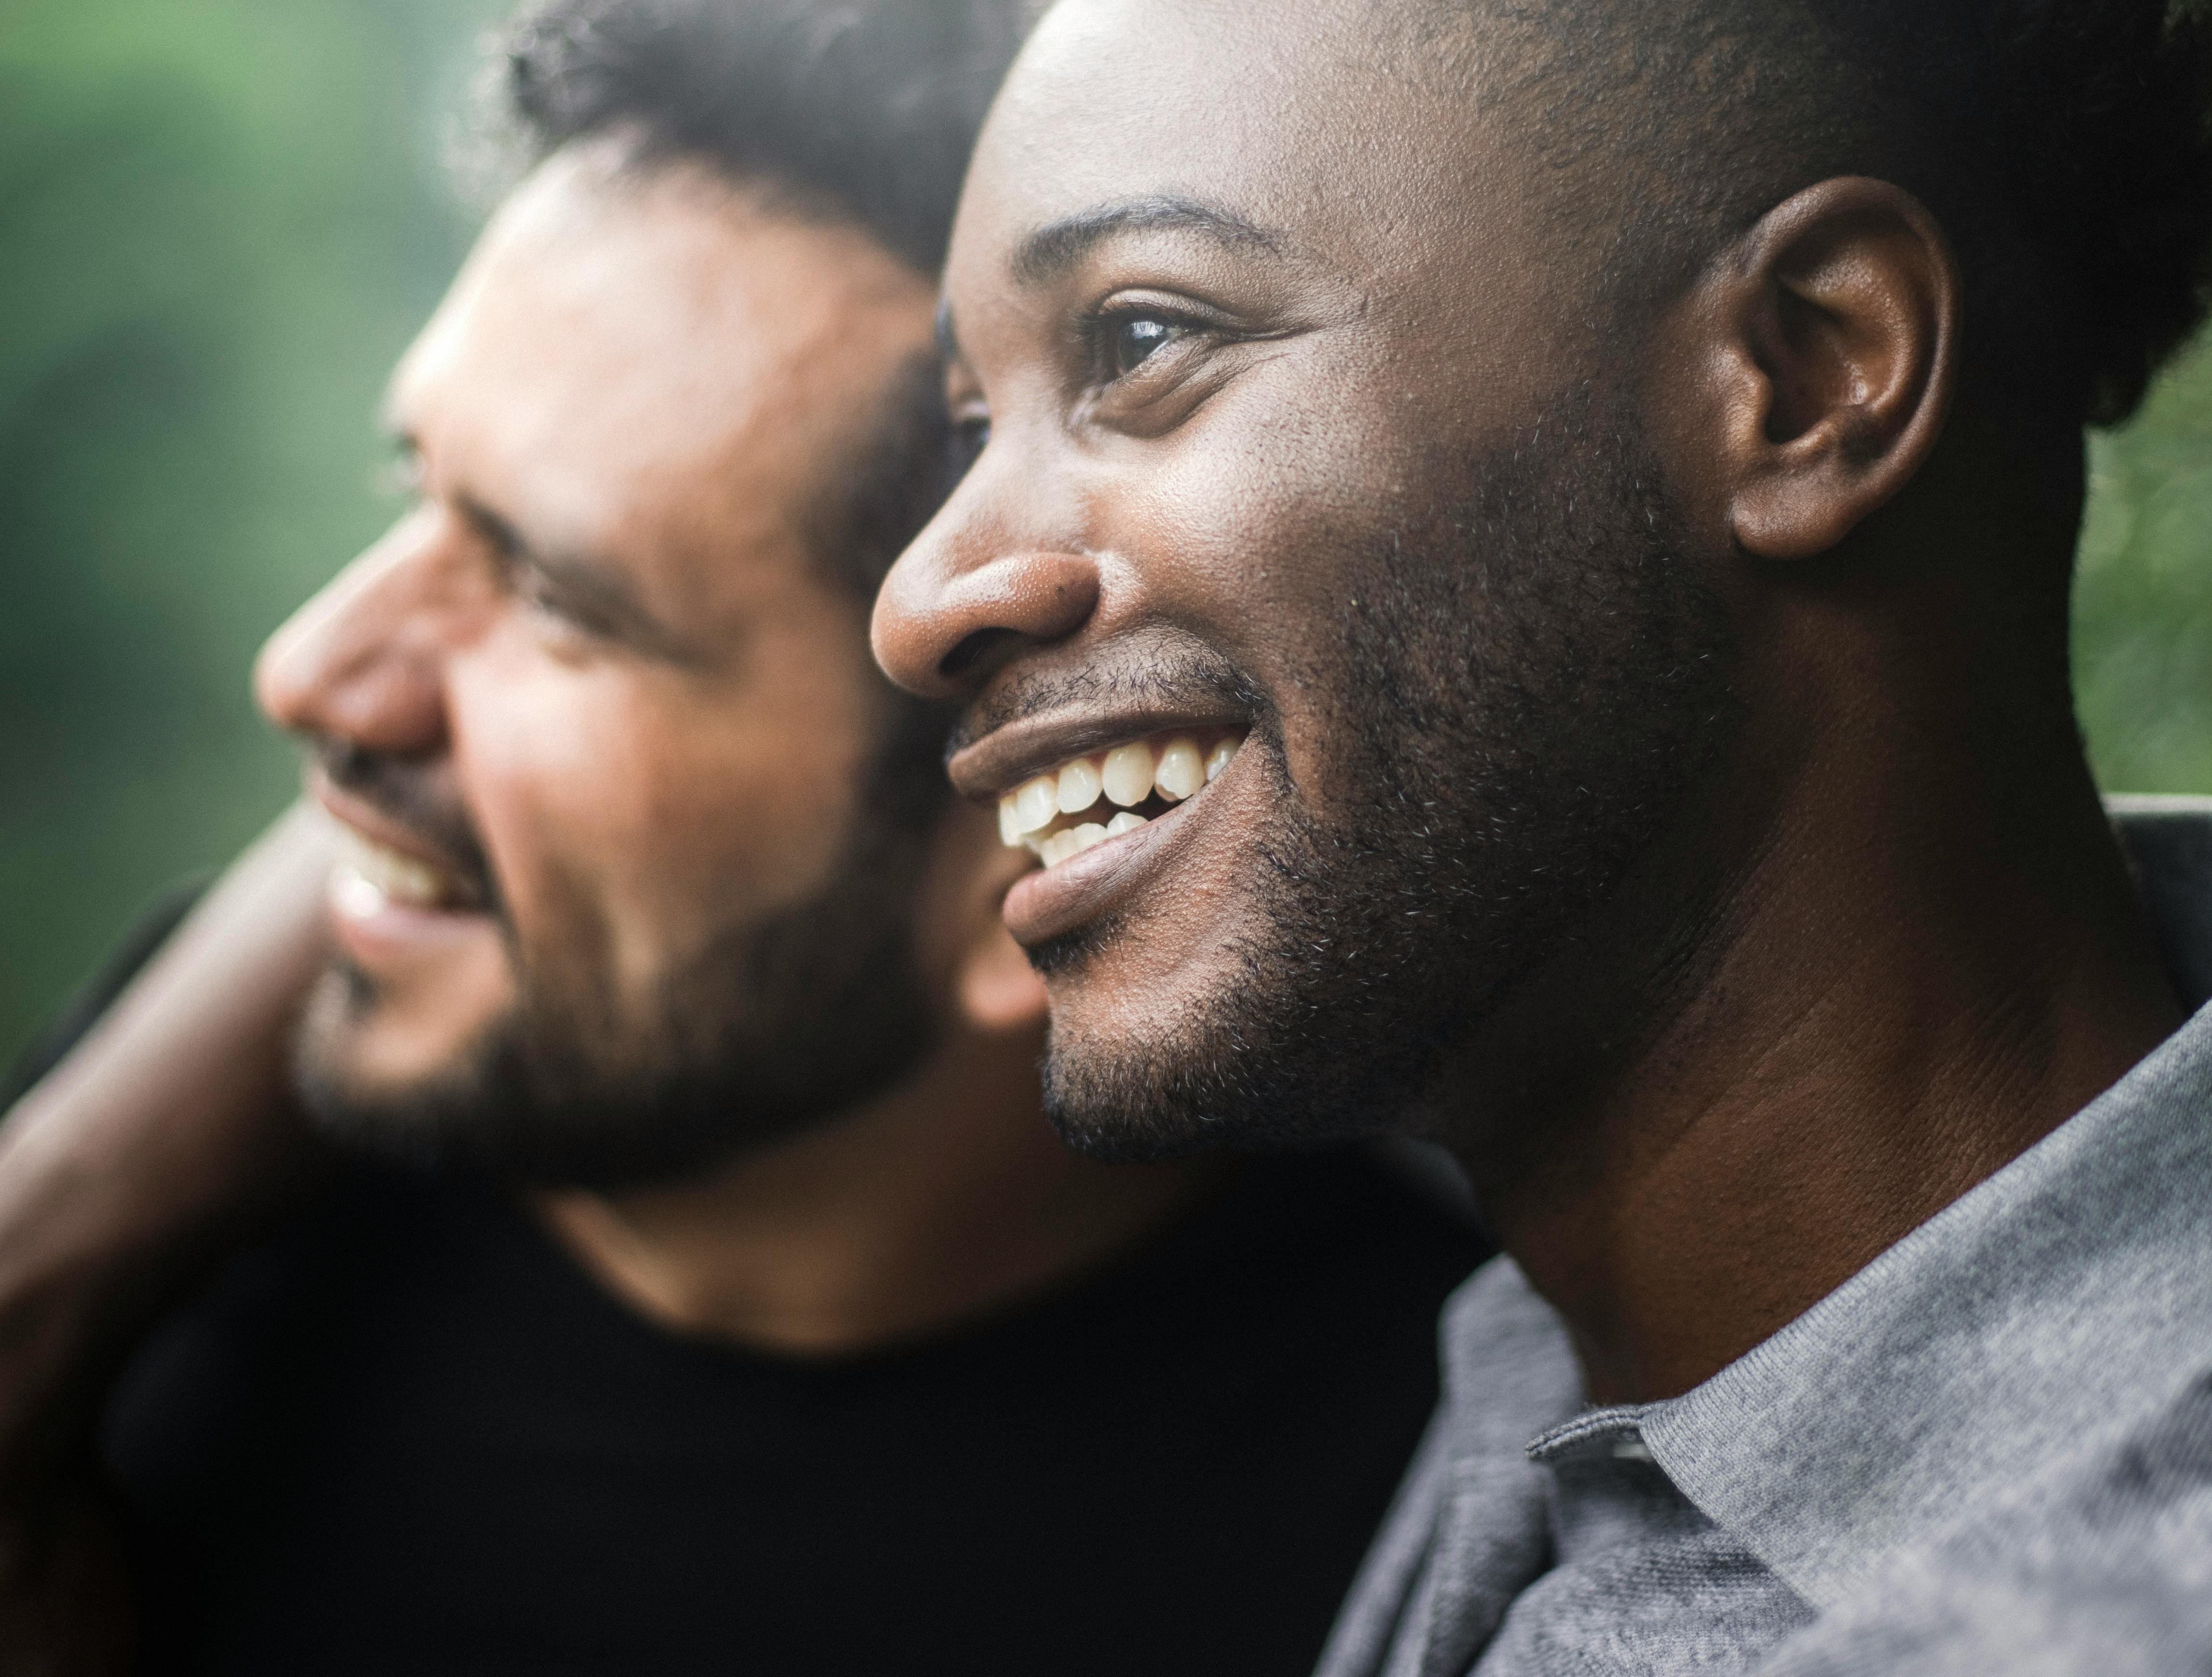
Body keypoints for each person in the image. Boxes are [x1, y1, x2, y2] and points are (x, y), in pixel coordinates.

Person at [0, 2, 1493, 1674]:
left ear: (1002, 846)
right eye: (417, 491)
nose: (311, 670)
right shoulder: (225, 1166)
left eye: (556, 597)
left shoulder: (1419, 1505)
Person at [869, 0, 2212, 1670]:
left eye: (1139, 345)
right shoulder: (1579, 1347)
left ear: (1803, 375)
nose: (918, 602)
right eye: (968, 425)